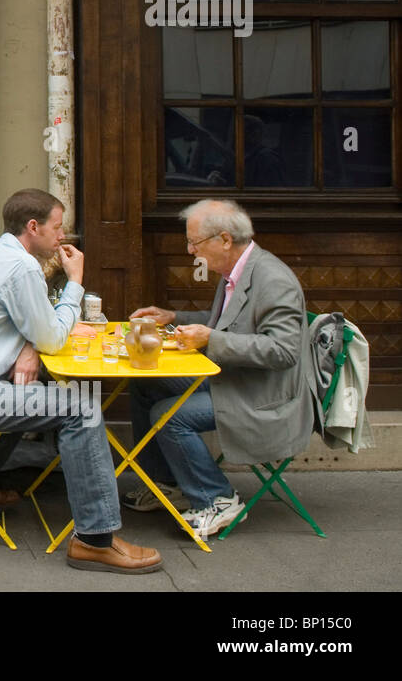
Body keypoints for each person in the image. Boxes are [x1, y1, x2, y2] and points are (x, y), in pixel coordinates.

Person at [0, 188, 163, 574]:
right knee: (82, 409)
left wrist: (33, 341)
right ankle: (96, 540)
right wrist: (75, 280)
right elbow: (50, 335)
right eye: (57, 227)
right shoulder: (21, 267)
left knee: (32, 392)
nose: (62, 236)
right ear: (34, 226)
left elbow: (33, 323)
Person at [129, 199, 316, 538]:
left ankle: (218, 498)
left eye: (194, 243)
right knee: (145, 384)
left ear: (225, 240)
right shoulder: (237, 271)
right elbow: (228, 323)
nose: (189, 251)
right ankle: (170, 485)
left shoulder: (273, 279)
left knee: (169, 415)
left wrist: (210, 339)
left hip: (262, 395)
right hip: (234, 379)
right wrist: (175, 318)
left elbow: (284, 350)